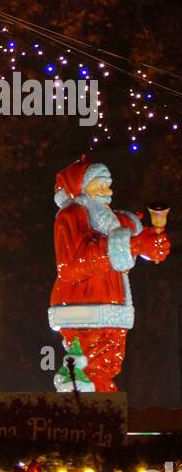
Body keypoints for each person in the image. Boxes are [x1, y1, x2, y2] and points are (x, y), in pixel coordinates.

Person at [48, 157, 170, 392]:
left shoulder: (113, 220)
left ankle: (103, 412)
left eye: (108, 184)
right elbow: (72, 265)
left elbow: (138, 242)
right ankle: (89, 417)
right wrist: (134, 245)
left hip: (114, 309)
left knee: (107, 368)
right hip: (83, 308)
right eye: (100, 184)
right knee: (89, 371)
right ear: (81, 187)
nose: (109, 191)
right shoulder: (71, 216)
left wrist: (153, 245)